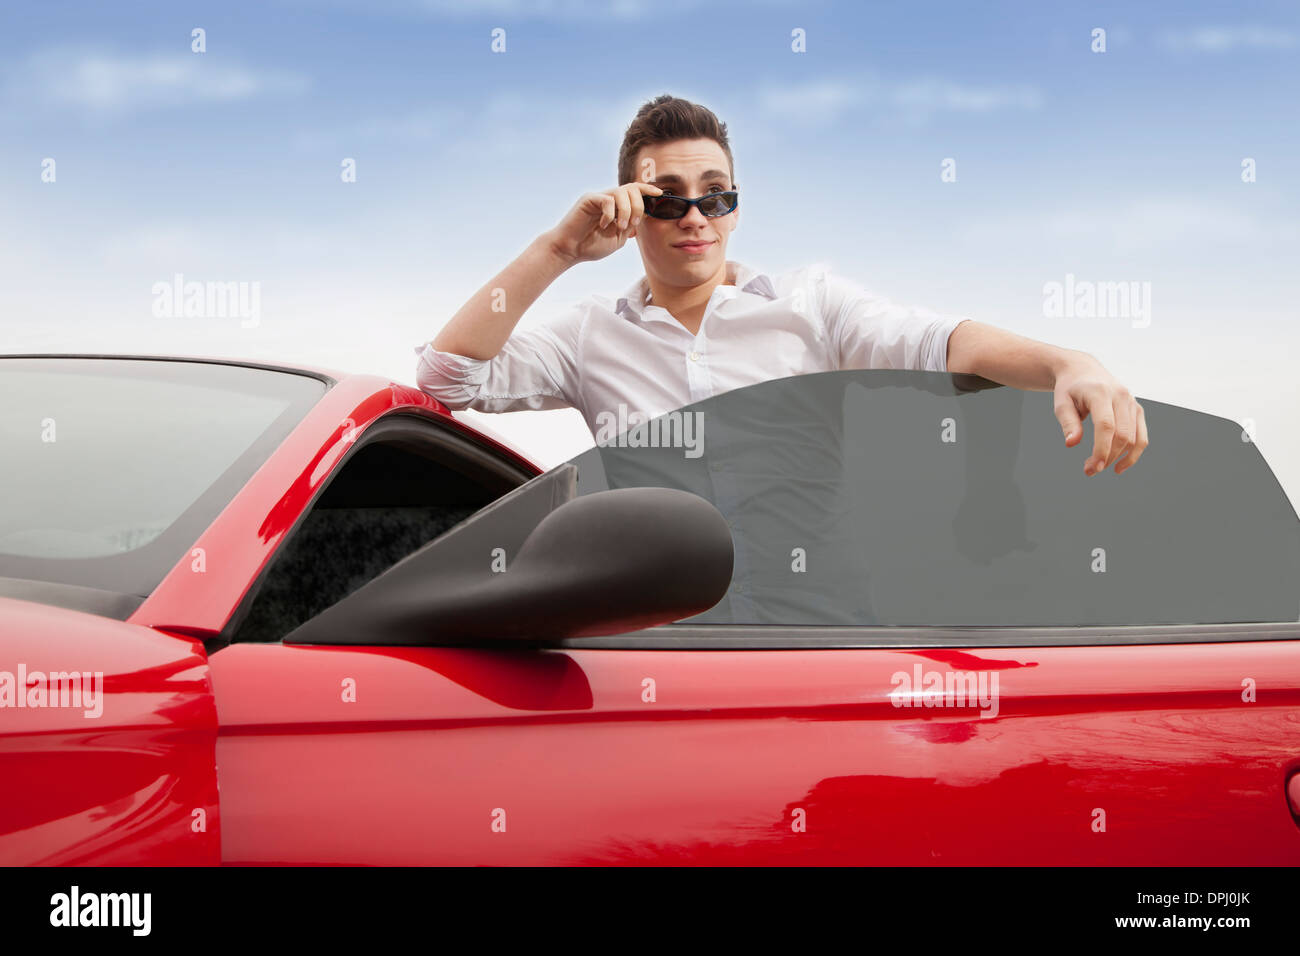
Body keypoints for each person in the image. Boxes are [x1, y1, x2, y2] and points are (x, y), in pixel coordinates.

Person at [415, 93, 1148, 478]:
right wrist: (559, 249)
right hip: (659, 644)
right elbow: (446, 378)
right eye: (668, 196)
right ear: (632, 211)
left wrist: (1067, 362)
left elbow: (944, 343)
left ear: (736, 206)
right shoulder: (588, 335)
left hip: (810, 631)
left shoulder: (810, 305)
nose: (696, 215)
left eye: (716, 194)